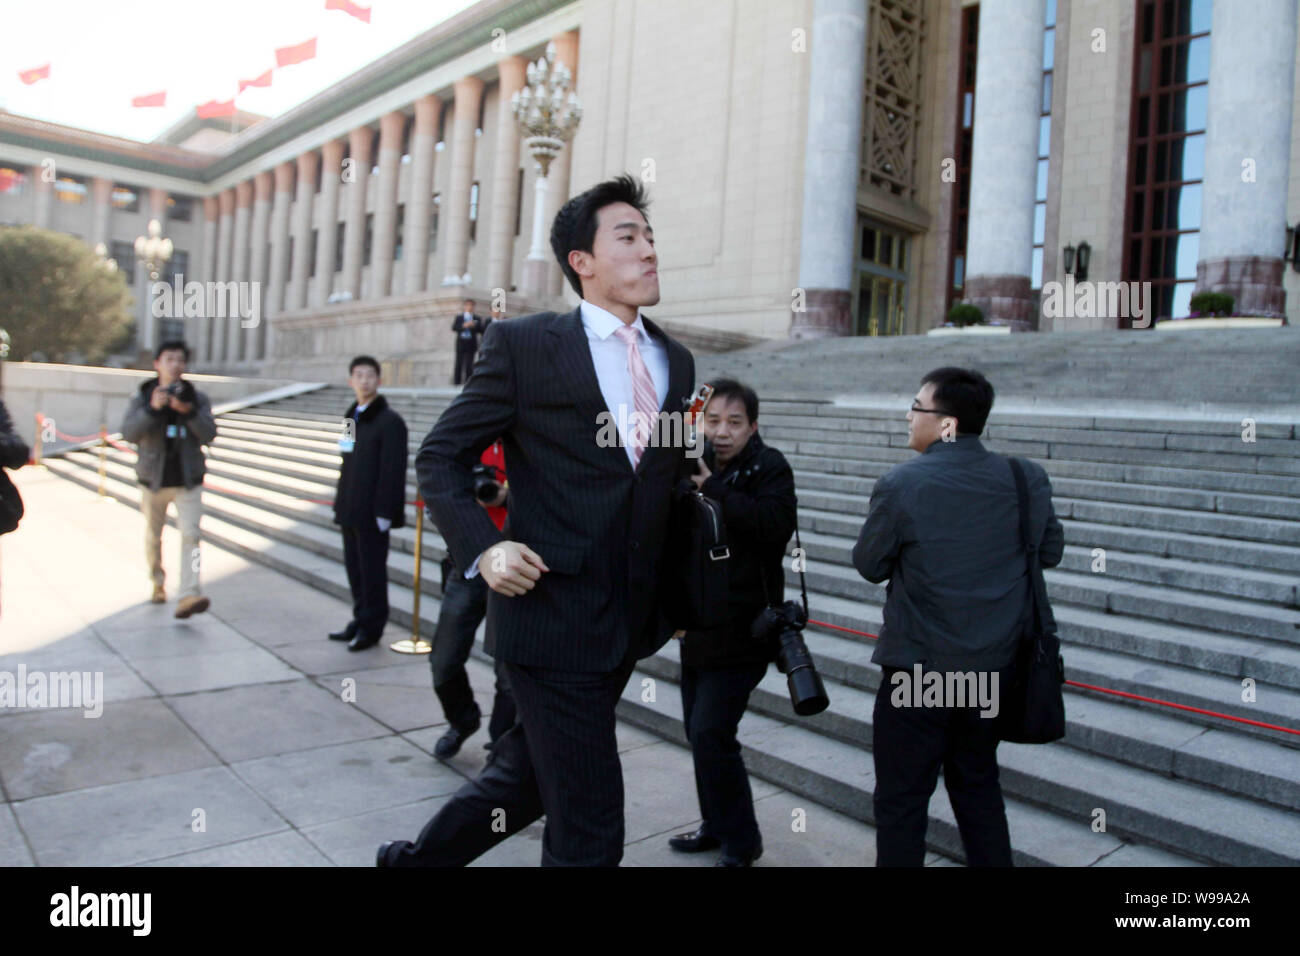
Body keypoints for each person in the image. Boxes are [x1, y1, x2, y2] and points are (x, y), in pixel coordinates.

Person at [380, 173, 697, 867]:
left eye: (649, 237)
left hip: (625, 623)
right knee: (590, 823)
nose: (649, 250)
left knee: (524, 783)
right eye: (628, 237)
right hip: (548, 618)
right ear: (580, 262)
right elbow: (440, 457)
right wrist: (485, 549)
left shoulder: (675, 359)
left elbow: (657, 482)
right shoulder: (524, 345)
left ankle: (412, 864)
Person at [851, 367, 1065, 867]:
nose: (909, 416)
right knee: (977, 788)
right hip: (991, 670)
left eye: (917, 407)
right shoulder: (1025, 476)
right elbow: (1048, 552)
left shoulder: (901, 482)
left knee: (902, 800)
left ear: (945, 423)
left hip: (919, 672)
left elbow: (869, 564)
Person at [668, 378, 796, 867]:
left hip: (745, 628)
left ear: (753, 426)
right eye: (714, 421)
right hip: (698, 625)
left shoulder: (769, 466)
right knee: (697, 733)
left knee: (711, 732)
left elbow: (773, 527)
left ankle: (743, 842)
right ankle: (716, 824)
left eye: (734, 423)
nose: (722, 432)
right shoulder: (692, 461)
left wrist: (713, 488)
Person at [428, 438, 516, 758]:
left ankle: (502, 748)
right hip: (469, 563)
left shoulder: (534, 432)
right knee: (443, 661)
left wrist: (507, 497)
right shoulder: (465, 435)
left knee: (509, 676)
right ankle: (462, 720)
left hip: (514, 569)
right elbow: (437, 485)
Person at [120, 340, 216, 619]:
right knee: (153, 536)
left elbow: (210, 433)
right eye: (169, 359)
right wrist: (152, 409)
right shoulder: (142, 395)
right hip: (153, 479)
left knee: (191, 535)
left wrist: (189, 412)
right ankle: (157, 581)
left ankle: (189, 593)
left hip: (189, 479)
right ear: (157, 363)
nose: (175, 365)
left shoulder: (196, 398)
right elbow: (129, 433)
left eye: (180, 360)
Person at [329, 356, 409, 651]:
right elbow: (345, 461)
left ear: (379, 380)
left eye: (370, 375)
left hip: (372, 513)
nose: (364, 381)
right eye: (359, 375)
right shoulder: (350, 418)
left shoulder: (391, 422)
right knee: (355, 570)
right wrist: (340, 503)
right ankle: (359, 618)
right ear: (351, 381)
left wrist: (386, 512)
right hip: (349, 508)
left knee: (372, 571)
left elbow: (393, 470)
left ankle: (372, 627)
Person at [450, 299, 485, 386]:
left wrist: (474, 326)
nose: (470, 307)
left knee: (469, 365)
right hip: (461, 343)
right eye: (468, 305)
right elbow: (454, 327)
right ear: (465, 306)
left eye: (471, 305)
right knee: (458, 364)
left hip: (471, 343)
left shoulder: (477, 318)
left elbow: (481, 330)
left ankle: (468, 383)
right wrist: (464, 326)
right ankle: (456, 383)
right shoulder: (460, 317)